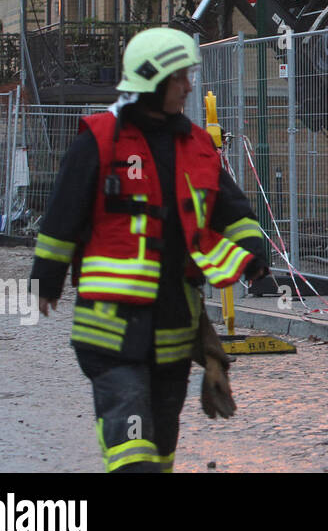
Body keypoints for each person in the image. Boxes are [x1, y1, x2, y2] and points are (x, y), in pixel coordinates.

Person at [30, 27, 270, 473]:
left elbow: (230, 209)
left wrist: (253, 251)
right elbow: (63, 213)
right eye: (181, 76)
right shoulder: (99, 139)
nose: (189, 86)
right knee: (131, 439)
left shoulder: (198, 146)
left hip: (174, 330)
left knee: (161, 445)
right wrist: (47, 277)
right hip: (111, 331)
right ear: (154, 80)